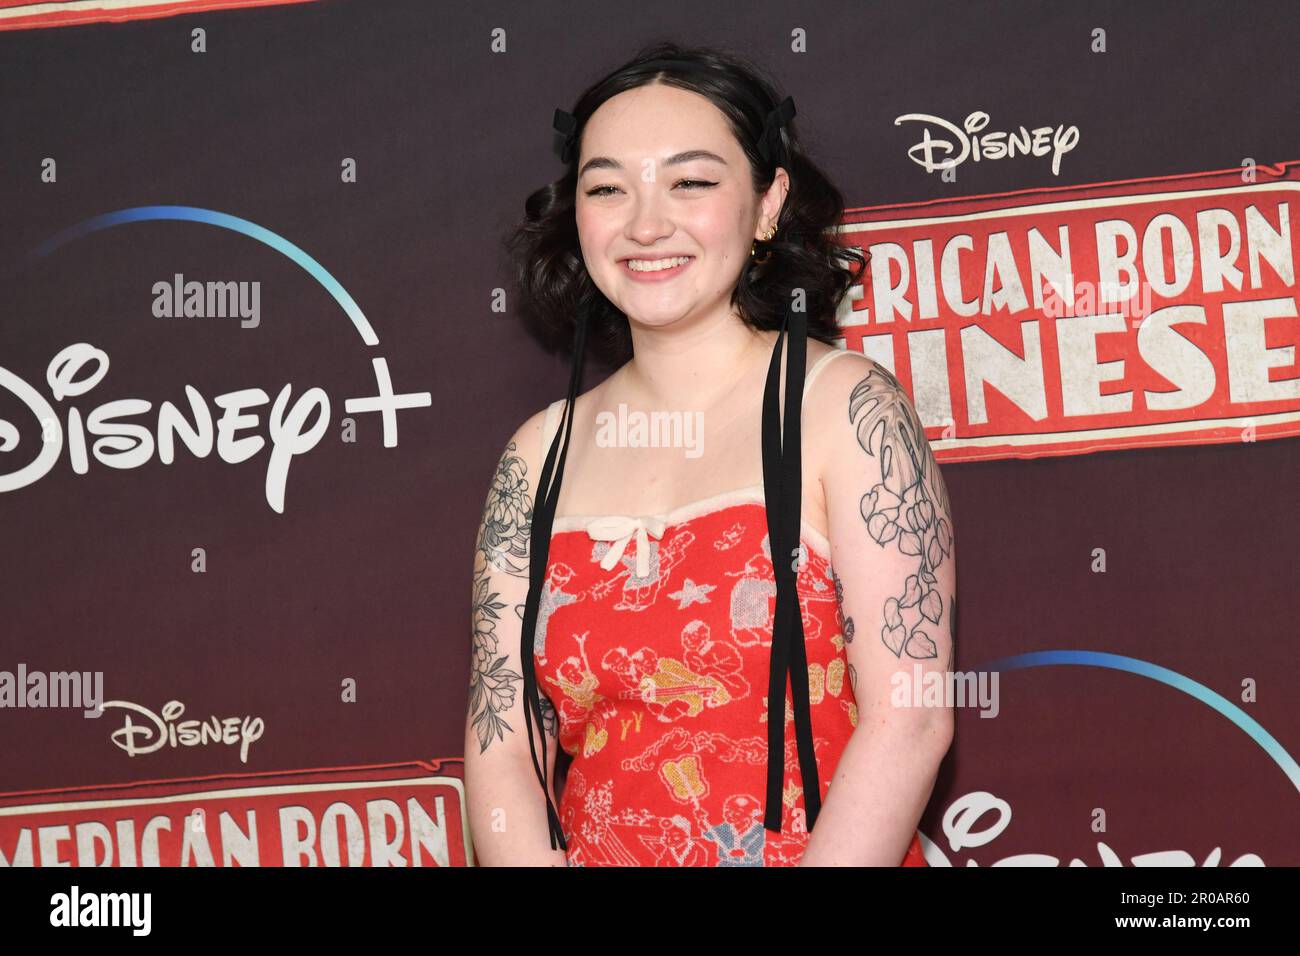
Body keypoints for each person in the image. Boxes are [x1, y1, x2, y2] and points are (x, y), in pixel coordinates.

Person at [466, 42, 955, 867]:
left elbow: (910, 720)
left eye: (690, 182)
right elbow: (502, 747)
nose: (646, 223)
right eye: (607, 187)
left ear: (768, 204)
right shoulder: (537, 454)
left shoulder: (844, 406)